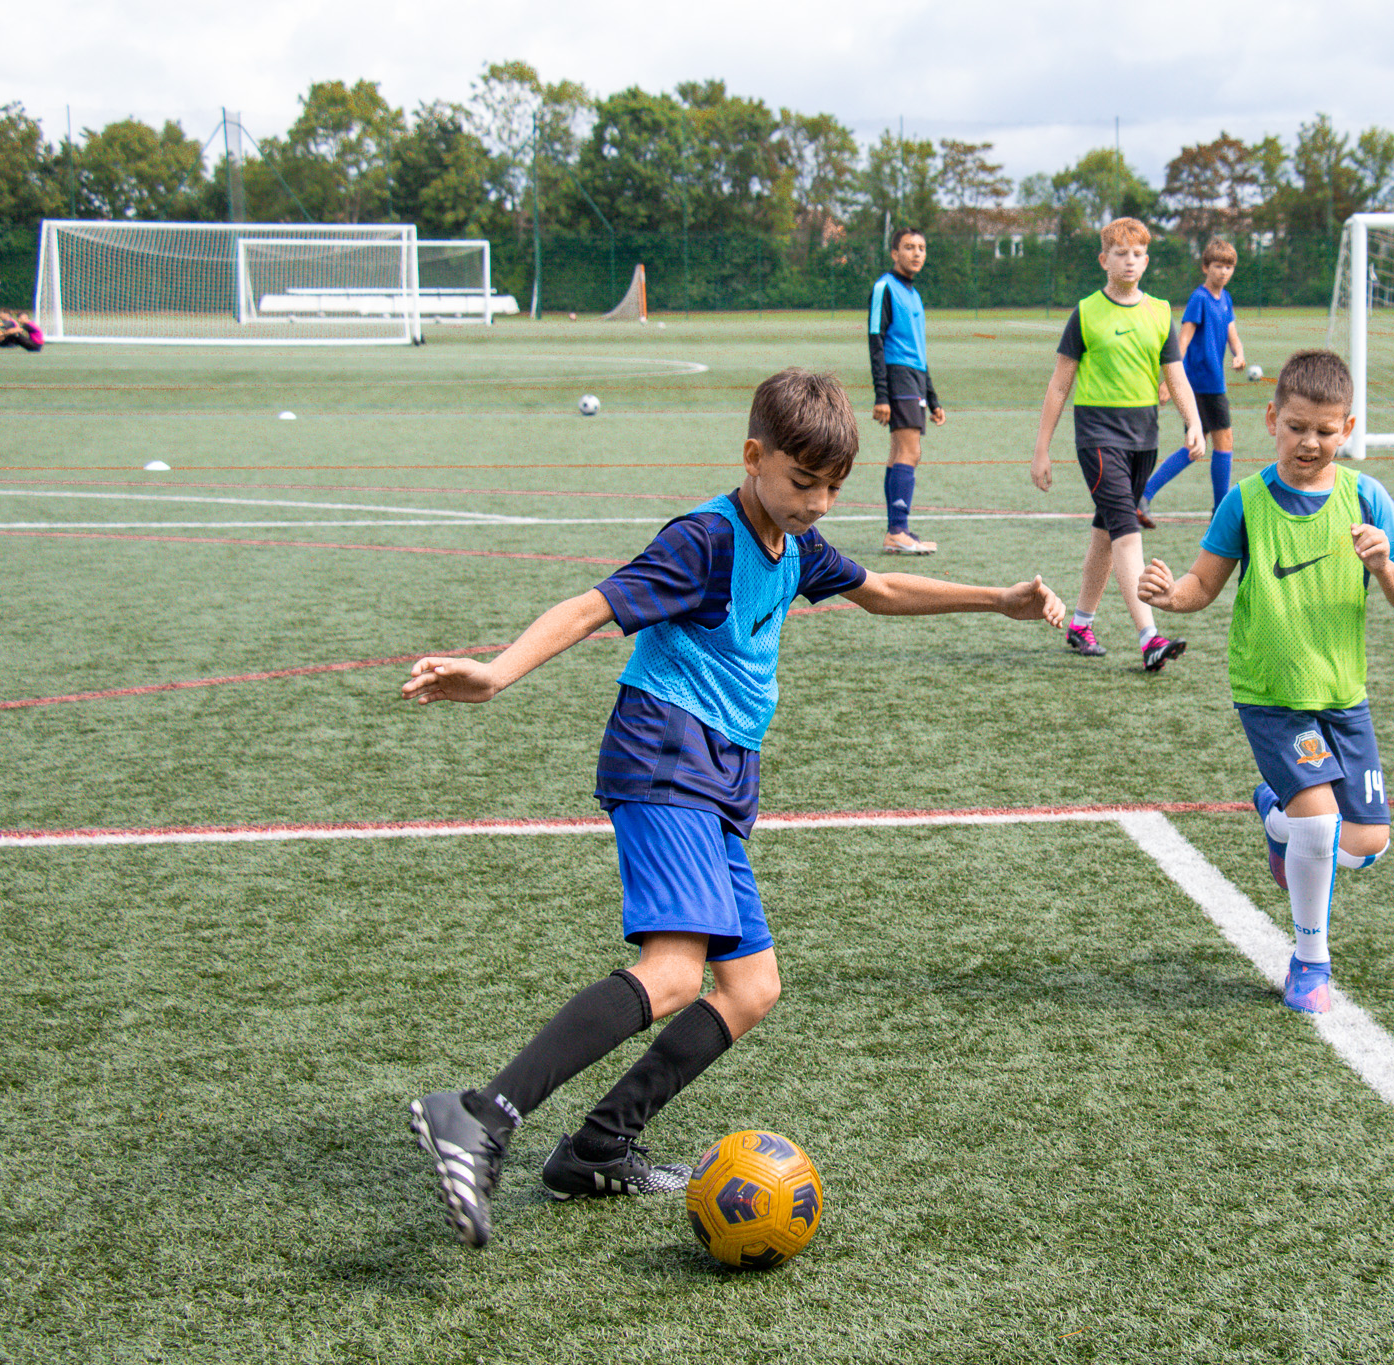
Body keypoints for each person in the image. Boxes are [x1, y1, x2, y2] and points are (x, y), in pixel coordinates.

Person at [400, 368, 1063, 1248]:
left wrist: (998, 600)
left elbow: (880, 590)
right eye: (802, 482)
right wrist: (495, 670)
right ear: (754, 457)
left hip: (720, 778)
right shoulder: (705, 541)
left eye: (834, 486)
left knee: (751, 987)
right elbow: (594, 606)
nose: (819, 502)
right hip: (663, 754)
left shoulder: (797, 545)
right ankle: (479, 1114)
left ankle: (599, 1146)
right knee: (675, 974)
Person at [1137, 349, 1394, 1014]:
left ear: (1346, 428)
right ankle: (1309, 961)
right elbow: (1202, 585)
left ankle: (1276, 815)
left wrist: (1384, 566)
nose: (1310, 442)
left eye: (1326, 430)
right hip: (1270, 695)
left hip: (1342, 698)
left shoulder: (1367, 498)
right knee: (1322, 825)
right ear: (1272, 419)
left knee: (1365, 842)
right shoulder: (1247, 501)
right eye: (1297, 426)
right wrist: (1168, 595)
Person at [1031, 216, 1202, 672]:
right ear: (1104, 259)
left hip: (1144, 438)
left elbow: (1176, 376)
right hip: (1097, 437)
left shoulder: (1161, 312)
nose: (1130, 261)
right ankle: (1149, 638)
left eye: (1138, 254)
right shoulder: (1086, 312)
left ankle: (1081, 623)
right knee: (1127, 533)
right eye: (1120, 253)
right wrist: (1042, 448)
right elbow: (1058, 385)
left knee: (1106, 534)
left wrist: (1193, 422)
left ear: (1147, 261)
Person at [1137, 240, 1247, 525]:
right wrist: (1168, 382)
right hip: (1199, 384)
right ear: (1205, 267)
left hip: (1213, 383)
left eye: (1229, 267)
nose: (1223, 272)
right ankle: (1220, 512)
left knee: (1195, 447)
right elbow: (1182, 340)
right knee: (1220, 442)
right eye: (1217, 266)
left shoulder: (1226, 299)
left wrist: (1239, 354)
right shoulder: (1199, 298)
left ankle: (1144, 495)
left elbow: (1232, 332)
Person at [867, 228, 945, 555]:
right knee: (909, 453)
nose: (916, 253)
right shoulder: (884, 287)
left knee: (899, 452)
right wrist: (881, 395)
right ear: (894, 253)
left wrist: (933, 397)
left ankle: (895, 531)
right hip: (897, 376)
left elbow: (920, 350)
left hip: (914, 378)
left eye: (921, 248)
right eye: (909, 247)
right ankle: (898, 530)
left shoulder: (913, 294)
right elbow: (876, 340)